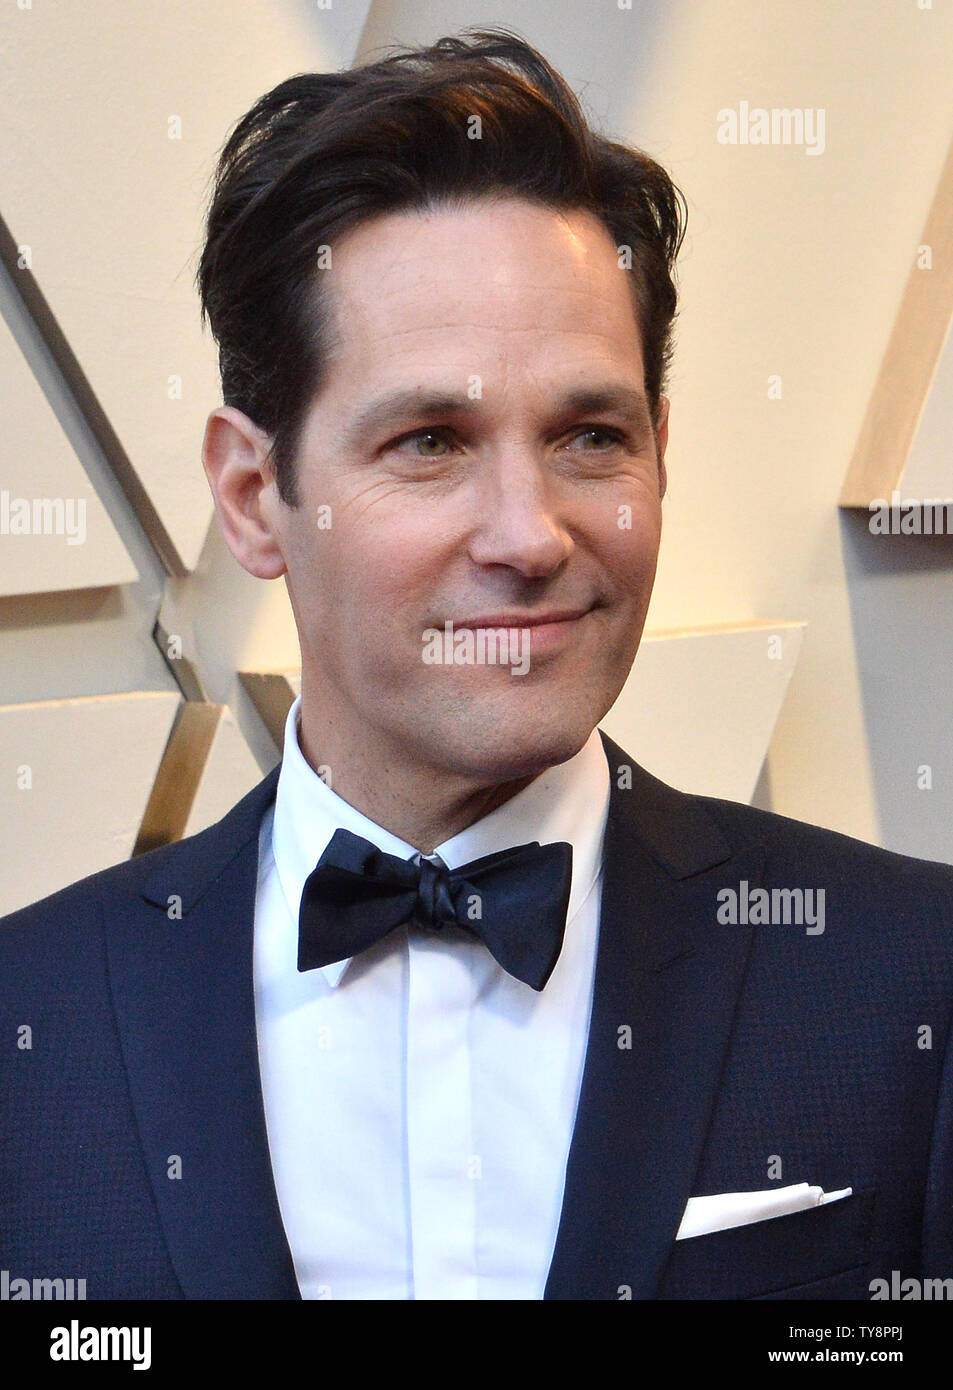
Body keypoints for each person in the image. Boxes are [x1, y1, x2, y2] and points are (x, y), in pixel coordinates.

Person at [2, 27, 952, 1302]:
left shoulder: (908, 973)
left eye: (589, 435)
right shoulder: (33, 1026)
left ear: (658, 455)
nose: (528, 534)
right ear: (252, 496)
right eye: (430, 441)